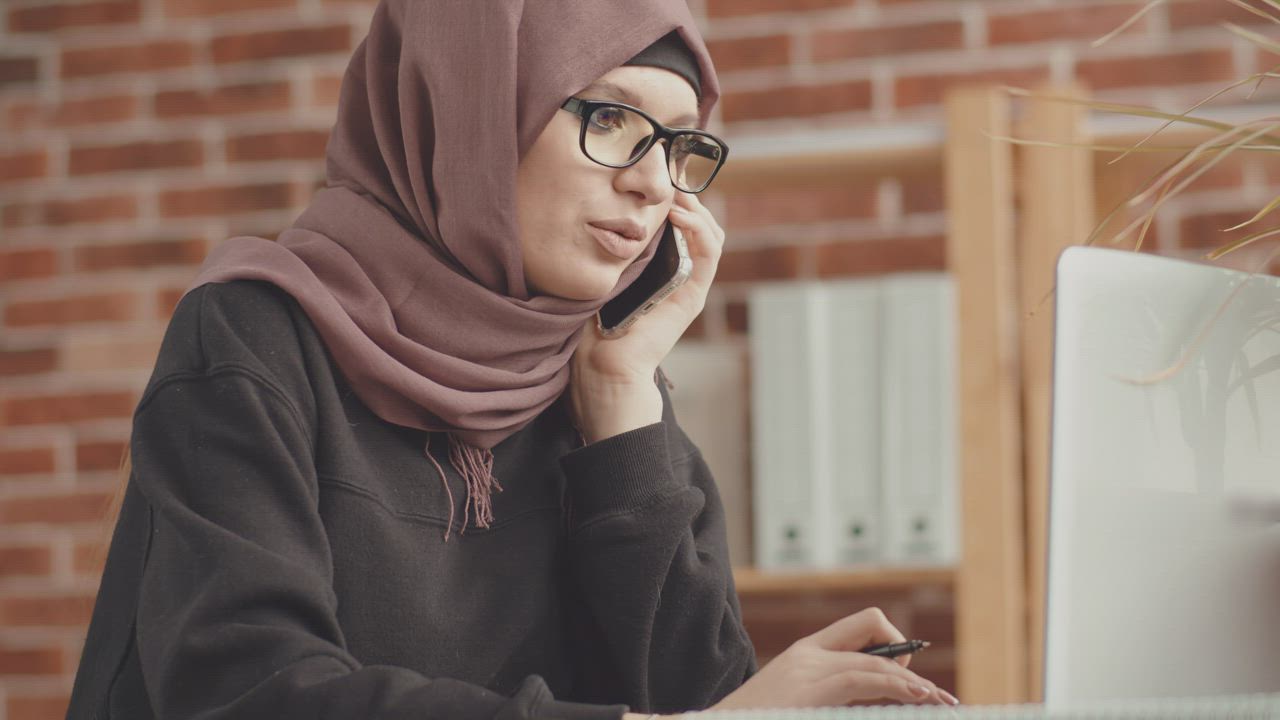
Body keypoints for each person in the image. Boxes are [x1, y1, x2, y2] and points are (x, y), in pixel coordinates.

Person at [65, 1, 959, 718]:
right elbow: (248, 690)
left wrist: (622, 412)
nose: (653, 180)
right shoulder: (258, 335)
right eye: (611, 118)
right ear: (467, 111)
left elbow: (705, 700)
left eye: (681, 140)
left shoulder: (599, 378)